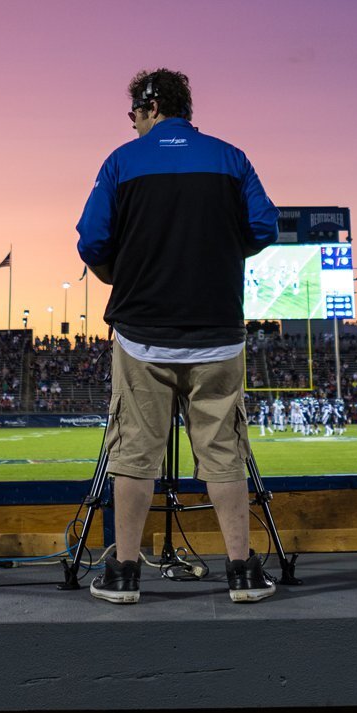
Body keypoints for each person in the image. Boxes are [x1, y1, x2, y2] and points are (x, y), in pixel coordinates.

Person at [76, 67, 279, 605]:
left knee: (134, 453)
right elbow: (265, 227)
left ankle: (124, 573)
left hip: (142, 332)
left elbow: (92, 240)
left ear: (150, 107)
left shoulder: (122, 161)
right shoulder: (231, 158)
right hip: (218, 330)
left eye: (133, 114)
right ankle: (242, 572)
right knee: (224, 452)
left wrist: (125, 269)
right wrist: (214, 250)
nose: (132, 123)